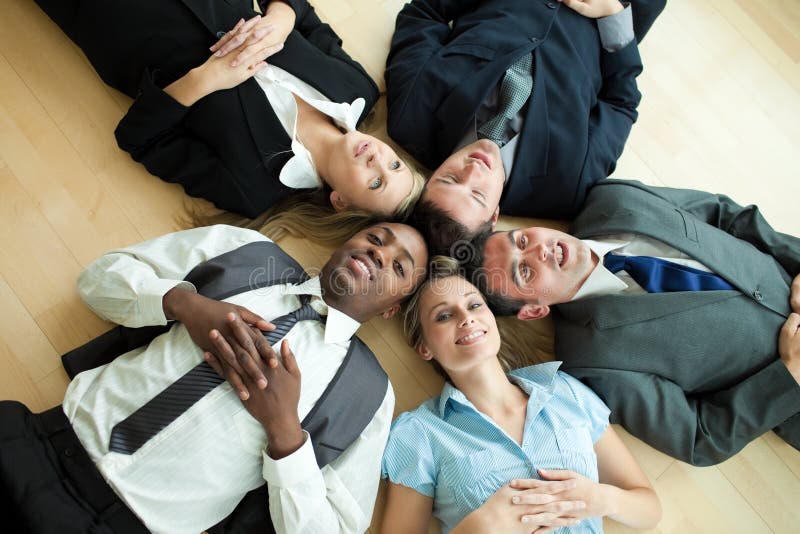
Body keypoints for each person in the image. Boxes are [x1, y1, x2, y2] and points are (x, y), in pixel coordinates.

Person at [0, 222, 429, 533]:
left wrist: (284, 432)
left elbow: (333, 530)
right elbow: (99, 279)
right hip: (39, 442)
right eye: (375, 237)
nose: (378, 252)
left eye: (399, 266)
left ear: (391, 309)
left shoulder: (370, 396)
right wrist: (183, 304)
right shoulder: (247, 252)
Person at [464, 178, 800, 466]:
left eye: (522, 240)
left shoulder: (615, 197)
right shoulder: (592, 360)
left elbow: (726, 215)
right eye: (524, 271)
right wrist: (788, 375)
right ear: (534, 310)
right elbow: (699, 438)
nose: (539, 251)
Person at [33, 0, 424, 220]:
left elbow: (139, 138)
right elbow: (301, 14)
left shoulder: (253, 188)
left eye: (375, 183)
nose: (378, 160)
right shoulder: (359, 88)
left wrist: (206, 79)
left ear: (340, 201)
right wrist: (280, 21)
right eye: (394, 167)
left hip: (117, 18)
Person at [381, 258, 661, 534]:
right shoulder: (420, 433)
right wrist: (477, 529)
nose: (466, 318)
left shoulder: (565, 392)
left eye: (475, 305)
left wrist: (602, 499)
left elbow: (649, 509)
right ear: (424, 347)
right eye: (444, 316)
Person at [387, 0, 664, 240]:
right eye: (477, 195)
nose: (473, 170)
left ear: (429, 178)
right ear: (494, 215)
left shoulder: (410, 114)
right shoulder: (568, 185)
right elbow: (621, 102)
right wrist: (613, 13)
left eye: (449, 179)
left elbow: (424, 14)